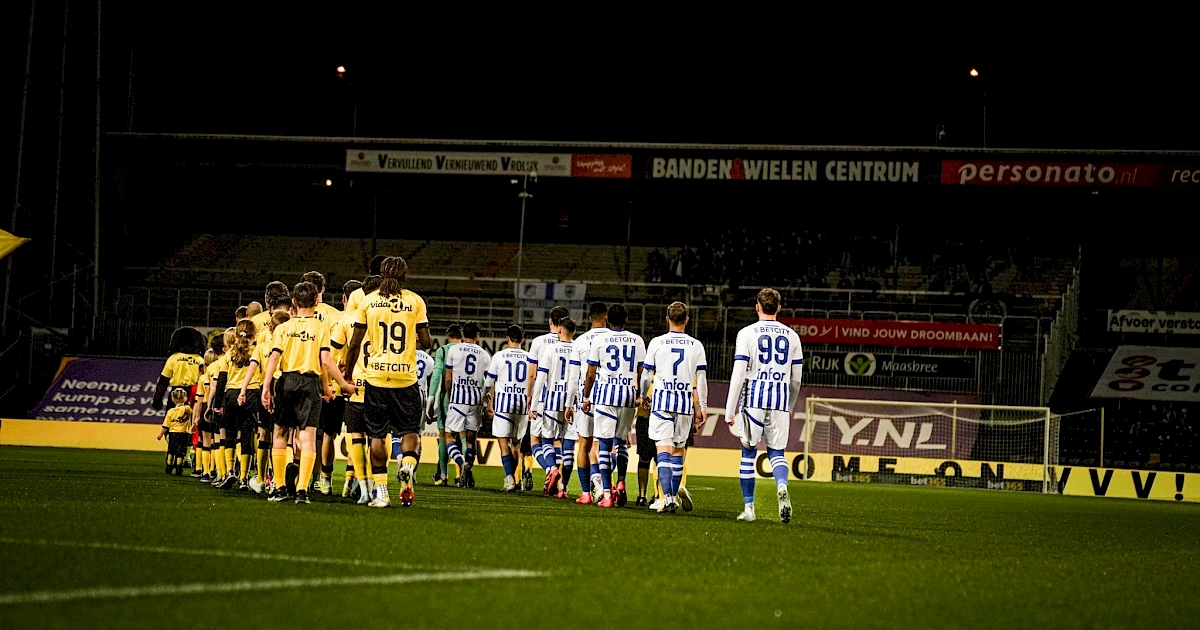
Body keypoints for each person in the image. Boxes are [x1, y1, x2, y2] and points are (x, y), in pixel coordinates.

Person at [342, 256, 431, 508]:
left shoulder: (368, 301)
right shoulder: (415, 301)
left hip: (377, 377)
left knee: (377, 437)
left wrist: (348, 374)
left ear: (381, 274)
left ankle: (382, 494)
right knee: (410, 431)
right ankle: (407, 464)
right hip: (405, 378)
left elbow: (355, 344)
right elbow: (426, 343)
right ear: (405, 275)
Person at [261, 281, 356, 504]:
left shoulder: (284, 328)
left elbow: (274, 358)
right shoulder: (320, 328)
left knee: (280, 434)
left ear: (293, 302)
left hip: (286, 381)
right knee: (308, 437)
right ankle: (302, 490)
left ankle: (280, 487)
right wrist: (337, 385)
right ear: (315, 302)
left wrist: (267, 387)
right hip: (310, 383)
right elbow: (325, 361)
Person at [723, 288, 804, 524]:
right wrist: (788, 404)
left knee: (748, 452)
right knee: (777, 453)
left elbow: (739, 373)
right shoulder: (792, 336)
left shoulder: (746, 333)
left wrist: (730, 411)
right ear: (779, 308)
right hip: (779, 399)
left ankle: (749, 509)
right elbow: (796, 379)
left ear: (757, 307)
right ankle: (781, 486)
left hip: (754, 399)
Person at [640, 302, 708, 514]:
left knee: (663, 451)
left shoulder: (657, 343)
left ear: (667, 318)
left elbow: (645, 375)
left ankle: (667, 497)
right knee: (679, 451)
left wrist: (643, 395)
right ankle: (673, 496)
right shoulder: (696, 345)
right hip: (685, 404)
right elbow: (702, 380)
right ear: (687, 320)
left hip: (662, 403)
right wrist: (702, 407)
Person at [582, 303, 646, 508]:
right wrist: (639, 392)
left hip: (605, 396)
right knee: (622, 442)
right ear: (626, 320)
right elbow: (641, 371)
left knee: (604, 444)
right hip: (627, 396)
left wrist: (586, 396)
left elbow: (590, 373)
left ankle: (608, 494)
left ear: (607, 319)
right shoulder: (637, 340)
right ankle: (621, 481)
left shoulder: (599, 339)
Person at [330, 277, 376, 504]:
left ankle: (363, 486)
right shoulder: (384, 317)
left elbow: (332, 354)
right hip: (380, 383)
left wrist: (337, 378)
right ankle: (378, 484)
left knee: (356, 435)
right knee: (378, 437)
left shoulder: (346, 319)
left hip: (356, 384)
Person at [304, 271, 344, 496]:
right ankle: (321, 478)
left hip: (302, 377)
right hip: (329, 382)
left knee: (301, 432)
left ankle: (302, 477)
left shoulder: (294, 315)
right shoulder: (335, 315)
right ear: (323, 290)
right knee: (326, 434)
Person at [240, 310, 288, 494]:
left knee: (265, 434)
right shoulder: (291, 343)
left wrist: (243, 390)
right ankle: (279, 479)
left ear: (270, 327)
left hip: (266, 388)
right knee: (284, 435)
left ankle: (260, 479)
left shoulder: (263, 345)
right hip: (285, 387)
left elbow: (252, 367)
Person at [531, 317, 578, 497]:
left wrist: (535, 405)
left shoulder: (550, 349)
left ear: (559, 330)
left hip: (552, 401)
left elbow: (541, 377)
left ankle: (551, 468)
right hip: (572, 402)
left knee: (548, 439)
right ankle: (563, 488)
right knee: (568, 445)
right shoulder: (578, 348)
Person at [567, 302, 608, 504]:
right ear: (606, 317)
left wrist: (569, 403)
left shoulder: (580, 341)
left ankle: (586, 492)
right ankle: (607, 488)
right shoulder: (614, 338)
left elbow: (573, 377)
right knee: (607, 446)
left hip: (586, 397)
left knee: (584, 444)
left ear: (589, 318)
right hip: (608, 397)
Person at [526, 306, 570, 494]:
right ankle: (562, 487)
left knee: (537, 439)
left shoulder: (538, 342)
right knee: (561, 440)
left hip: (544, 397)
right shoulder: (573, 343)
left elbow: (532, 375)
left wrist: (530, 397)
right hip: (567, 398)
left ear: (550, 322)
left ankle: (550, 470)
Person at [443, 321, 492, 489]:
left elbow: (448, 377)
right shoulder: (485, 355)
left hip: (457, 399)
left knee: (449, 436)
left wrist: (450, 396)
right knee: (471, 440)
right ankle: (468, 468)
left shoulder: (453, 350)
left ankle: (460, 462)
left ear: (464, 334)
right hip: (476, 401)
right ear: (478, 336)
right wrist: (486, 396)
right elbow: (490, 381)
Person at [483, 324, 531, 492]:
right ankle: (516, 479)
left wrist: (485, 396)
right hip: (522, 406)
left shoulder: (499, 356)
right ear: (523, 340)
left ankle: (510, 479)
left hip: (504, 406)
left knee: (504, 443)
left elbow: (489, 382)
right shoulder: (529, 357)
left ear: (507, 338)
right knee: (516, 445)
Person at [427, 324, 463, 486]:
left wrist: (431, 397)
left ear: (448, 336)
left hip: (447, 398)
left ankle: (443, 475)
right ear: (461, 337)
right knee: (462, 436)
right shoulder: (470, 350)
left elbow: (437, 375)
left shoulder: (442, 351)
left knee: (443, 435)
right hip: (466, 398)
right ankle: (463, 475)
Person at [152, 328, 206, 412]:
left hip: (176, 394)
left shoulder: (173, 358)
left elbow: (163, 381)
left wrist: (157, 399)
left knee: (173, 419)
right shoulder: (200, 360)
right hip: (194, 393)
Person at [158, 388, 193, 476]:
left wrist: (161, 434)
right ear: (185, 398)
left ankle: (169, 467)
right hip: (184, 434)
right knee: (180, 452)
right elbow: (191, 412)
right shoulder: (187, 409)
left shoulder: (170, 411)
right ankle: (179, 469)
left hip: (173, 434)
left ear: (173, 399)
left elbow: (166, 425)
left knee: (171, 451)